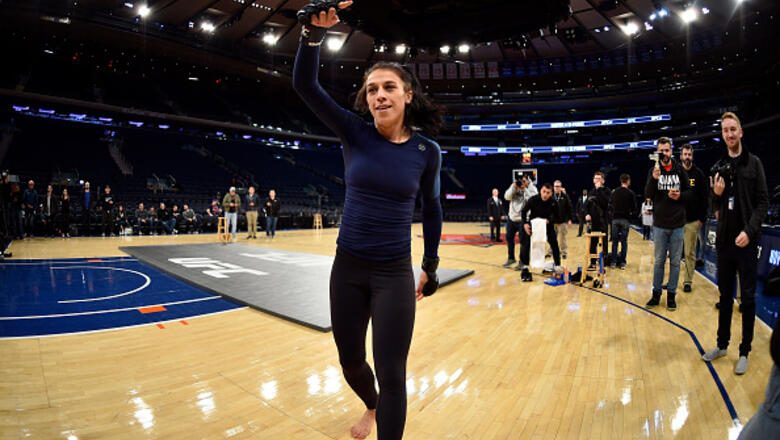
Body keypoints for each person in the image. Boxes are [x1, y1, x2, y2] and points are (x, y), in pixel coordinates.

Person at [293, 2, 443, 438]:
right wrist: (312, 36)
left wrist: (430, 265)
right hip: (348, 269)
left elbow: (432, 208)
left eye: (389, 87)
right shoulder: (354, 133)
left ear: (407, 95)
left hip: (393, 274)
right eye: (372, 89)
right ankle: (372, 406)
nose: (379, 95)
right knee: (350, 362)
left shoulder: (427, 152)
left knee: (392, 372)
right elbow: (304, 85)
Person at [701, 112, 768, 375]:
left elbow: (762, 203)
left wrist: (750, 232)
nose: (729, 134)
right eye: (725, 130)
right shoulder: (718, 167)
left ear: (740, 132)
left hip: (747, 244)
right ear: (722, 135)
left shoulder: (754, 164)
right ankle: (722, 345)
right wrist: (716, 194)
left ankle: (744, 351)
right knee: (725, 297)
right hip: (725, 243)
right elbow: (715, 207)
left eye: (733, 129)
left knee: (748, 298)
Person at [644, 137, 689, 311]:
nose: (664, 153)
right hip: (660, 224)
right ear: (658, 152)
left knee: (676, 262)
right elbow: (648, 194)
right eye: (661, 151)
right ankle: (656, 294)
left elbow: (689, 193)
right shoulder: (653, 170)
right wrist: (653, 179)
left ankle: (671, 295)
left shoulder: (679, 169)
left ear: (671, 151)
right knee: (659, 262)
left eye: (667, 150)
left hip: (678, 224)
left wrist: (680, 196)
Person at [679, 144, 709, 293]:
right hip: (676, 220)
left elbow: (705, 198)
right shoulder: (675, 173)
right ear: (681, 156)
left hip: (692, 221)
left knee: (689, 253)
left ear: (692, 156)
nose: (687, 157)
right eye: (685, 154)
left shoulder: (699, 174)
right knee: (673, 254)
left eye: (689, 154)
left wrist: (701, 219)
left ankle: (687, 281)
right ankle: (671, 281)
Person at [520, 183, 562, 282]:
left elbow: (557, 216)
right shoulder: (533, 199)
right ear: (540, 191)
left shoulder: (554, 202)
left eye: (548, 193)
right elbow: (523, 211)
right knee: (526, 245)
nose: (545, 194)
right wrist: (525, 223)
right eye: (544, 192)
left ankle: (557, 265)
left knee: (554, 244)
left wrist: (549, 221)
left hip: (547, 226)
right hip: (533, 226)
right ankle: (525, 267)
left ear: (551, 193)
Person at [503, 175, 537, 269]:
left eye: (524, 181)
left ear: (528, 181)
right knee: (509, 238)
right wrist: (514, 188)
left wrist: (525, 189)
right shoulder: (514, 186)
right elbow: (506, 197)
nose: (522, 182)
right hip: (512, 218)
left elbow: (533, 201)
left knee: (524, 242)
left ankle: (523, 262)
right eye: (521, 180)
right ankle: (511, 258)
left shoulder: (532, 189)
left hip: (524, 219)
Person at [609, 174, 636, 269]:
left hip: (615, 219)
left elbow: (610, 205)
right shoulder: (631, 193)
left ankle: (613, 262)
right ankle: (622, 263)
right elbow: (634, 209)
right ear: (628, 181)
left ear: (621, 181)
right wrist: (630, 215)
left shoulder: (614, 192)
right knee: (624, 242)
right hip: (625, 219)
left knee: (615, 242)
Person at [585, 172, 611, 267]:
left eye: (599, 178)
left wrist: (599, 189)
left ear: (603, 181)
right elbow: (586, 205)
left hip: (603, 221)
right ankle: (592, 263)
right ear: (593, 180)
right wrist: (587, 213)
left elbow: (605, 203)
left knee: (603, 243)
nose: (597, 180)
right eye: (596, 178)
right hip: (593, 223)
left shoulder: (607, 191)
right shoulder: (591, 192)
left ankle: (603, 262)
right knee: (592, 243)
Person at [551, 180, 572, 259]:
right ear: (553, 187)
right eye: (555, 186)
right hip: (552, 222)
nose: (556, 188)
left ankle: (563, 252)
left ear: (561, 187)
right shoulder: (550, 196)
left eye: (558, 186)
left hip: (562, 221)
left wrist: (569, 219)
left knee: (562, 238)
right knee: (552, 238)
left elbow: (569, 208)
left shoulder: (565, 196)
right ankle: (551, 251)